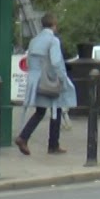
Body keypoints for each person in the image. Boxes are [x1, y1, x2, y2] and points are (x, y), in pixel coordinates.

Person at [14, 12, 77, 155]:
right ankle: (52, 145)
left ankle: (24, 137)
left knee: (41, 110)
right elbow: (56, 62)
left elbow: (29, 60)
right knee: (57, 107)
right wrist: (62, 78)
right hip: (49, 80)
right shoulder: (53, 40)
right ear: (54, 25)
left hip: (35, 80)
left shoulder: (34, 40)